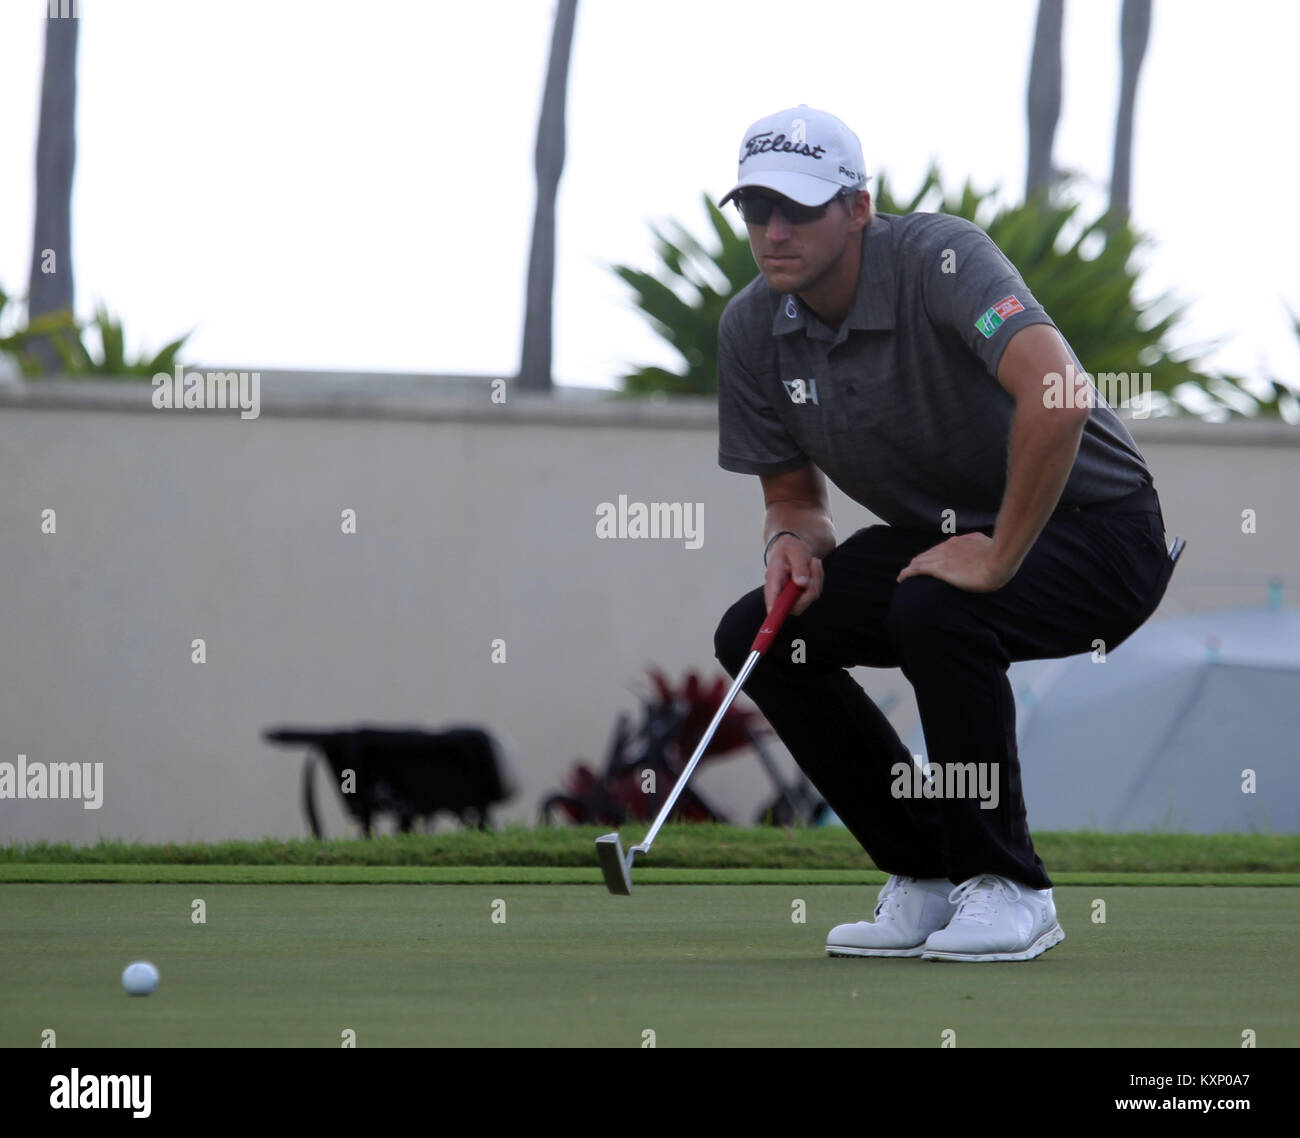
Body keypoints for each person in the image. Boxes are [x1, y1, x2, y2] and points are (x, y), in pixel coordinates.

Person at [711, 105, 1175, 962]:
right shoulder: (752, 330)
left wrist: (999, 556)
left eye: (799, 209)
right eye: (755, 209)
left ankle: (1010, 888)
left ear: (857, 208)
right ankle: (924, 874)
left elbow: (1060, 394)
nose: (774, 231)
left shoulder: (941, 260)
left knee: (933, 606)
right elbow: (795, 501)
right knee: (758, 635)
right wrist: (790, 542)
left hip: (1103, 536)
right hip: (952, 536)